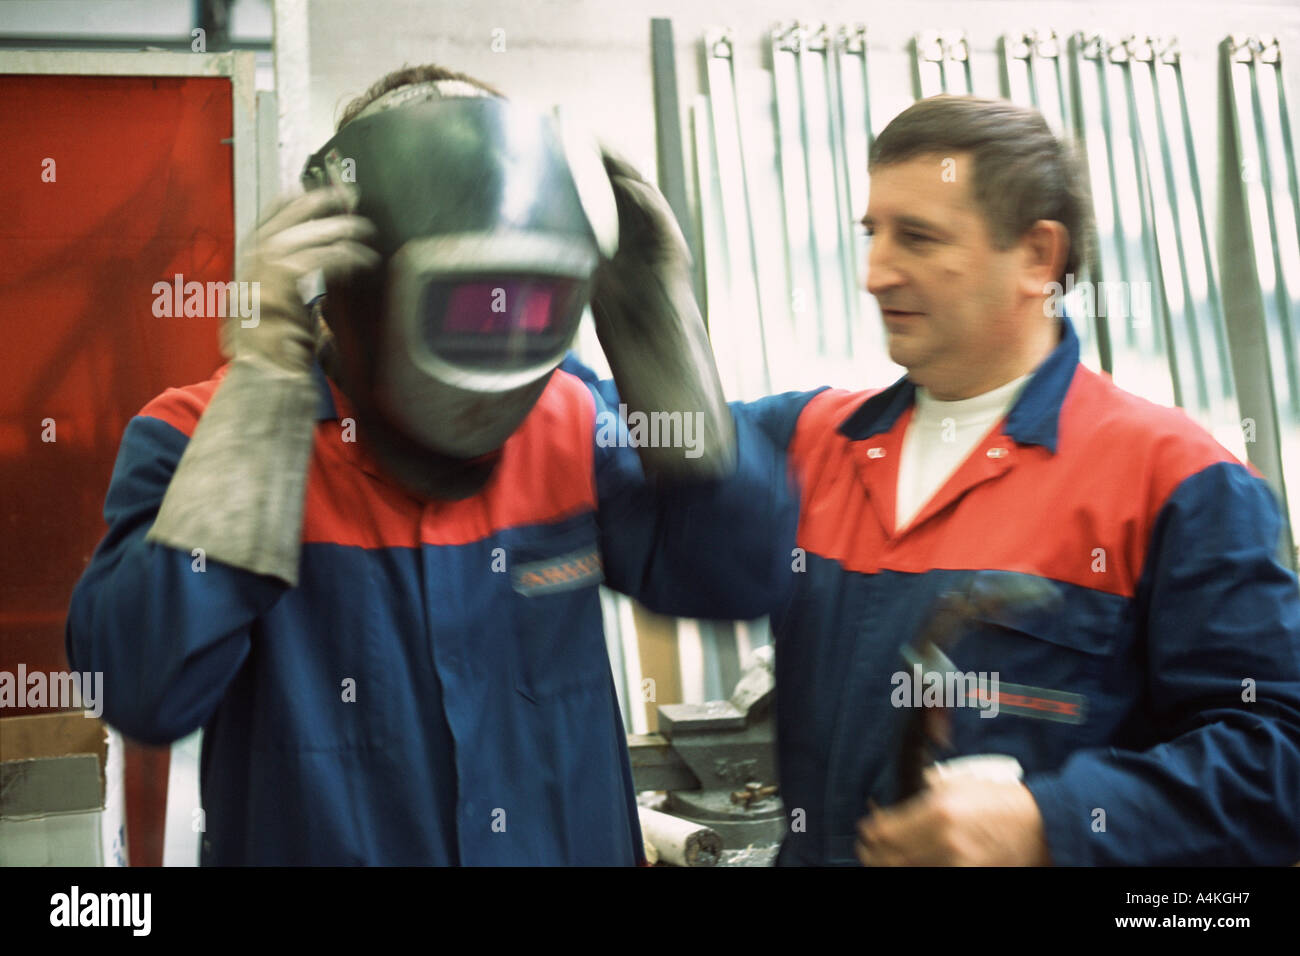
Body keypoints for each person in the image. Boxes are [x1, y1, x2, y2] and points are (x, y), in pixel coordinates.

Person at [65, 64, 797, 865]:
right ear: (356, 267)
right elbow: (140, 688)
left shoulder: (571, 417)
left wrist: (660, 331)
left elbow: (740, 572)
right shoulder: (198, 435)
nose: (489, 333)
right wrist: (261, 406)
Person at [725, 94, 1300, 865]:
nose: (874, 273)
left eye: (918, 238)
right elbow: (614, 460)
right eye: (873, 233)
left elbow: (1279, 754)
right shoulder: (805, 441)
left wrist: (1052, 821)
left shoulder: (1175, 479)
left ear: (1037, 255)